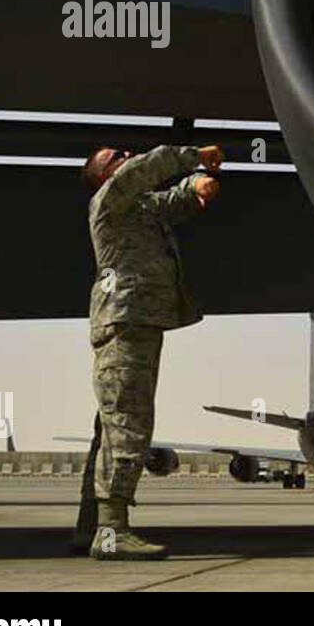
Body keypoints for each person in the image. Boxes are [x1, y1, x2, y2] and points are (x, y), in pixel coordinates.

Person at [71, 144, 222, 559]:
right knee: (128, 422)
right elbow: (142, 170)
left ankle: (92, 529)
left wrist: (196, 186)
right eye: (115, 155)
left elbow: (172, 201)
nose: (126, 154)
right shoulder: (110, 199)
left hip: (136, 321)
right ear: (105, 175)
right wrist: (193, 157)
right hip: (126, 320)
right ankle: (113, 532)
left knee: (114, 423)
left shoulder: (139, 208)